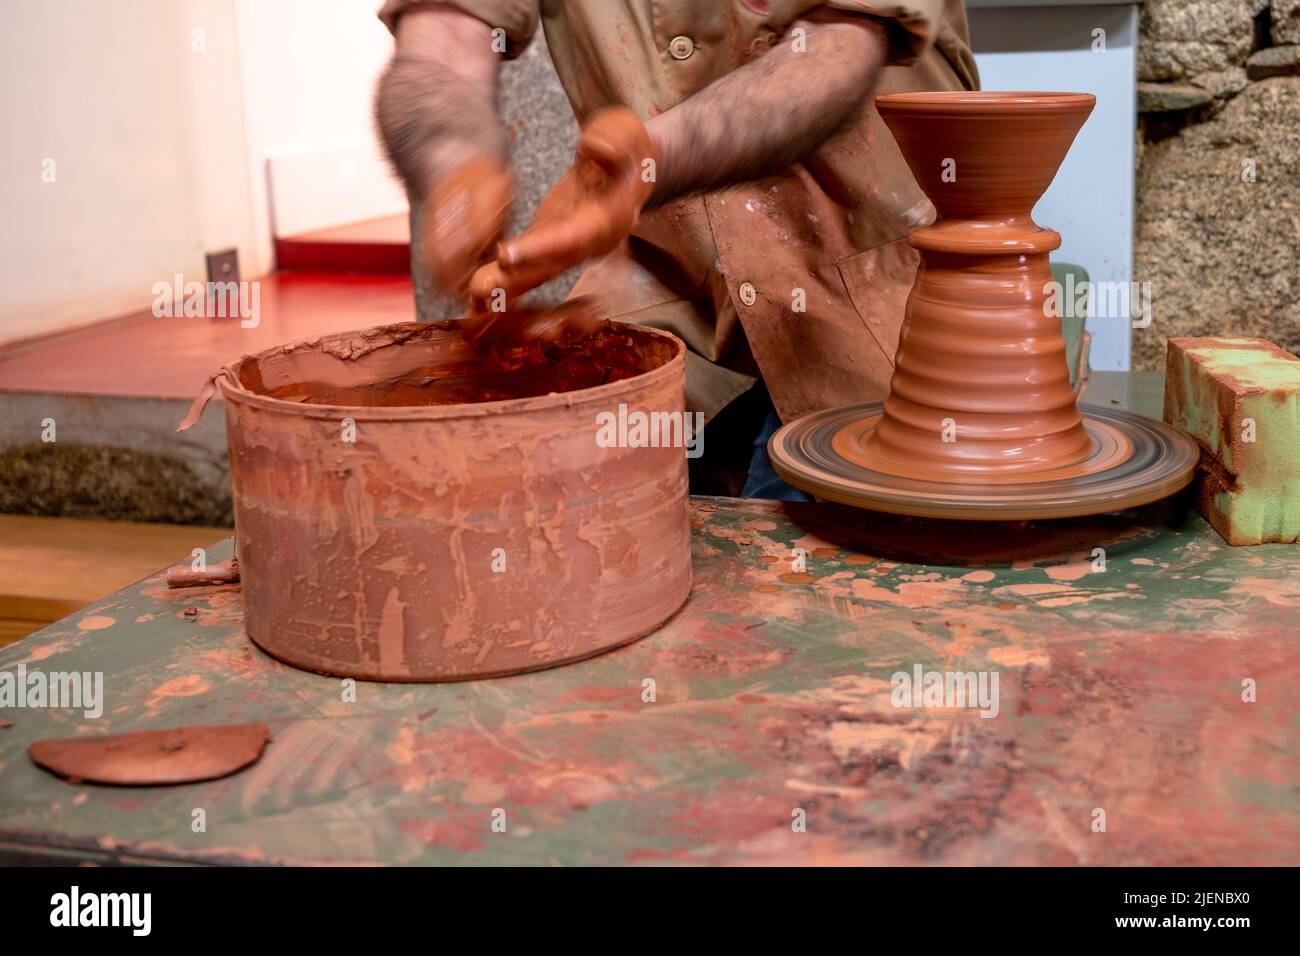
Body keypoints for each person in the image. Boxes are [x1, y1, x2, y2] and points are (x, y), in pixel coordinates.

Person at [374, 1, 977, 498]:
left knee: (839, 594)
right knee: (522, 515)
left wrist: (648, 164)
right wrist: (454, 168)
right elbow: (443, 44)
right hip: (670, 299)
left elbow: (838, 47)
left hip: (876, 299)